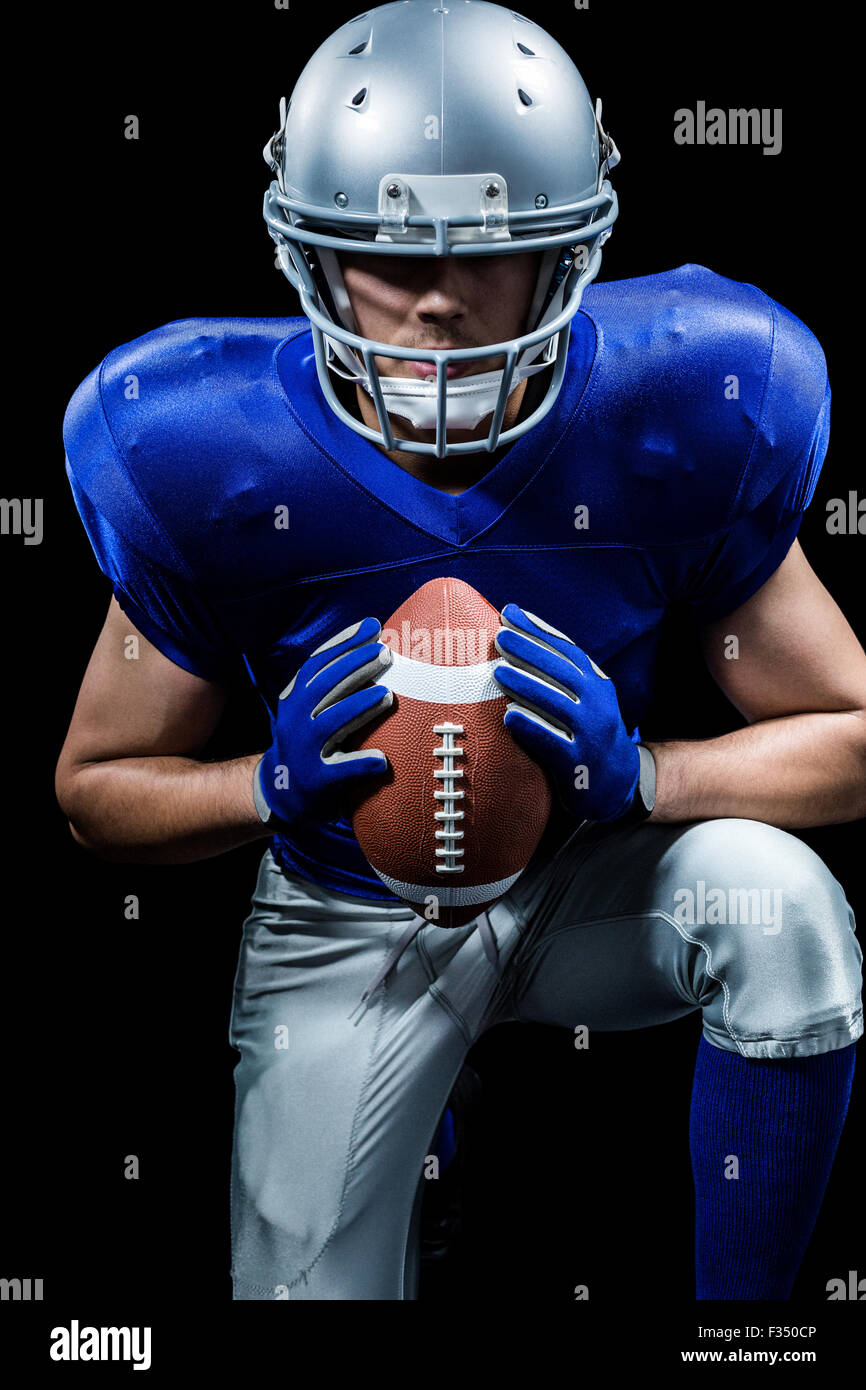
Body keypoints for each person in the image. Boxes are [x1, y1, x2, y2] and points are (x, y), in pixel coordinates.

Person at [55, 0, 864, 1301]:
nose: (435, 300)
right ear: (305, 258)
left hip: (587, 882)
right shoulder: (193, 447)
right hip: (342, 913)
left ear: (575, 254)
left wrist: (648, 777)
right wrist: (258, 787)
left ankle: (748, 1340)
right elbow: (95, 791)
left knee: (784, 915)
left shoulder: (687, 403)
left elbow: (855, 736)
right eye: (381, 253)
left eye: (494, 254)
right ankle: (411, 1111)